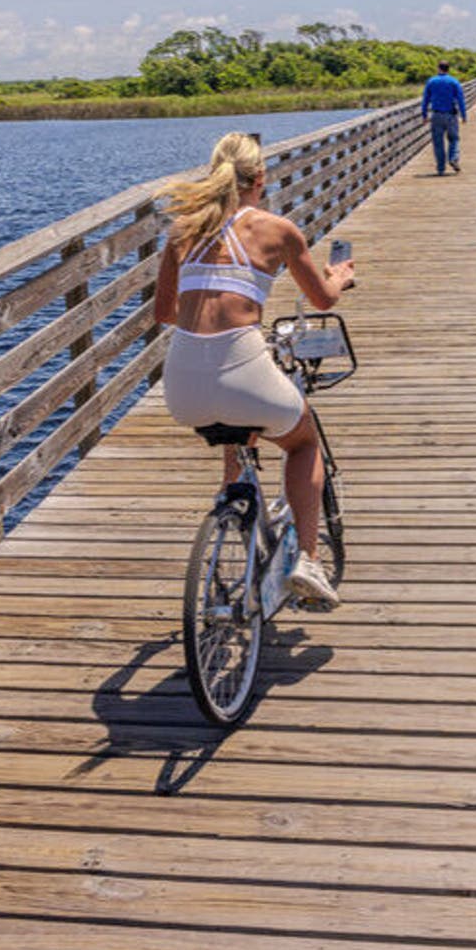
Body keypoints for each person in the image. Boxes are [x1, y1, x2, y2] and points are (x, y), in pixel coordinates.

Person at [155, 132, 355, 606]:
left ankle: (236, 523)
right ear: (260, 179)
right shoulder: (277, 230)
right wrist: (340, 276)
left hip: (181, 384)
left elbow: (165, 312)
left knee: (235, 432)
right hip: (242, 367)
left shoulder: (182, 231)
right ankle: (307, 559)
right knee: (302, 442)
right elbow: (322, 298)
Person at [420, 61, 467, 175]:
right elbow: (460, 100)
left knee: (438, 142)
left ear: (438, 68)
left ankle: (441, 168)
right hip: (451, 114)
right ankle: (453, 158)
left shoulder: (431, 81)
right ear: (448, 69)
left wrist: (424, 115)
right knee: (454, 138)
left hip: (436, 115)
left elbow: (425, 100)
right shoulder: (454, 81)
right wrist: (463, 115)